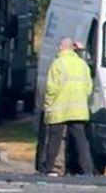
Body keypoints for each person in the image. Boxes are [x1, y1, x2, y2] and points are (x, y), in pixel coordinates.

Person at [40, 37, 95, 176]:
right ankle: (88, 170)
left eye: (60, 45)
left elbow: (51, 88)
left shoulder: (58, 64)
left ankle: (48, 167)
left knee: (54, 140)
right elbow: (88, 88)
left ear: (62, 47)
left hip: (59, 110)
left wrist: (47, 106)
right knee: (81, 141)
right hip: (78, 110)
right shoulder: (82, 65)